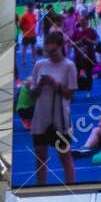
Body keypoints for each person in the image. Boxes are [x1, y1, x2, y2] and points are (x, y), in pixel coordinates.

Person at [28, 29, 77, 187]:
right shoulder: (39, 64)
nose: (51, 54)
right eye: (48, 51)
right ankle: (40, 190)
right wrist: (40, 86)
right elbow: (33, 94)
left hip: (60, 118)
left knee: (65, 156)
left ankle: (71, 189)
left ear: (61, 46)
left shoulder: (69, 66)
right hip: (40, 118)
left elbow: (70, 95)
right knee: (40, 158)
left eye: (54, 51)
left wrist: (56, 85)